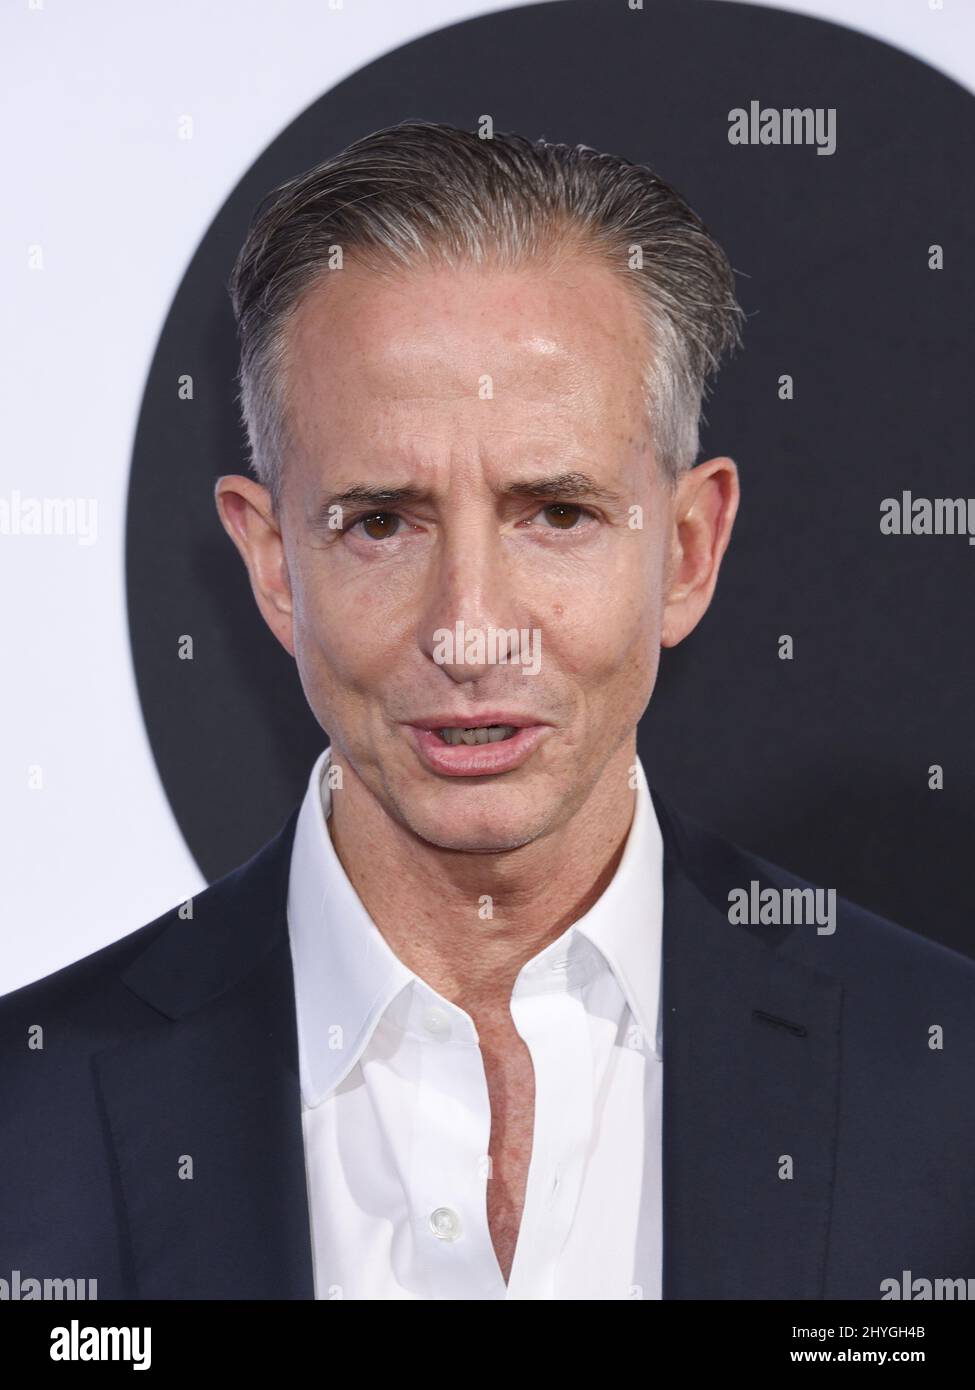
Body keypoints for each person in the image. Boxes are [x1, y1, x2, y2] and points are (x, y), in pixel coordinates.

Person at [3, 121, 974, 1301]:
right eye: (380, 521)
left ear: (686, 549)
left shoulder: (942, 1084)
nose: (468, 629)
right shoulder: (27, 1116)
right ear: (270, 565)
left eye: (555, 514)